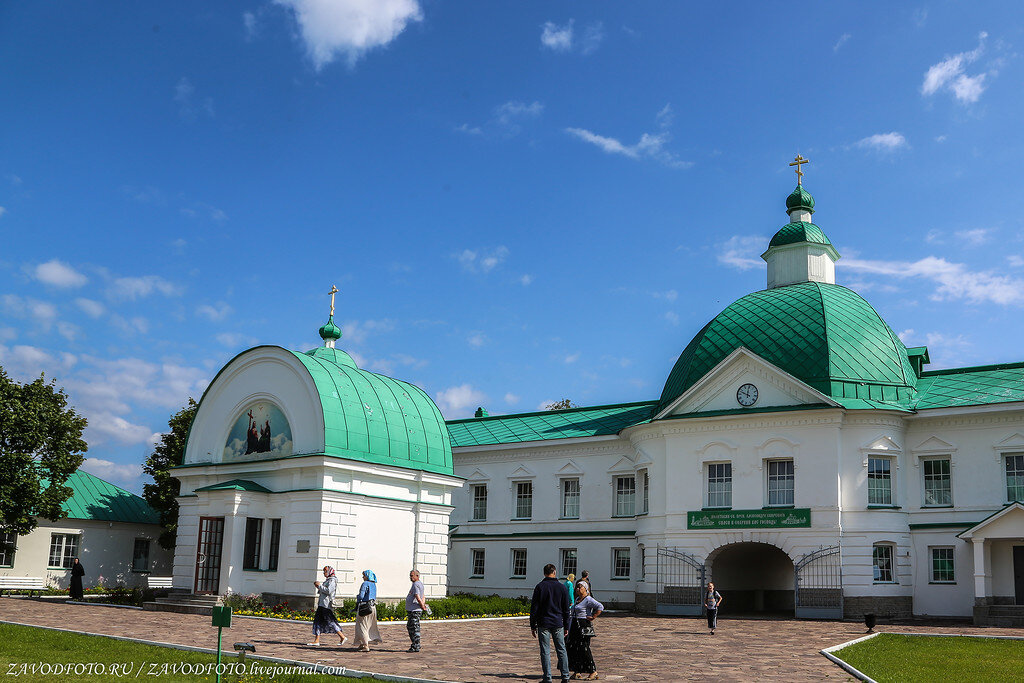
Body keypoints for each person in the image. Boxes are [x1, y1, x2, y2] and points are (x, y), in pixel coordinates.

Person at [530, 563, 570, 683]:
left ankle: (547, 677)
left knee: (545, 651)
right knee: (561, 650)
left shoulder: (540, 587)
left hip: (544, 622)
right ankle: (565, 676)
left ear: (544, 573)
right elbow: (566, 609)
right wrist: (567, 626)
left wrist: (533, 625)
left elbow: (534, 608)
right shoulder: (562, 587)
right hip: (558, 622)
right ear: (554, 572)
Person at [567, 582, 603, 680]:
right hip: (575, 625)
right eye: (577, 587)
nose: (577, 589)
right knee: (574, 648)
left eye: (580, 587)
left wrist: (593, 616)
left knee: (584, 648)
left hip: (583, 625)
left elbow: (600, 607)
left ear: (585, 588)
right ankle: (577, 671)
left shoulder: (588, 599)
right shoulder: (578, 599)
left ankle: (593, 671)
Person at [308, 566, 347, 646]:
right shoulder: (328, 580)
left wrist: (319, 586)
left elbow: (329, 591)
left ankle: (342, 636)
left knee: (330, 621)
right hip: (322, 604)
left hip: (326, 604)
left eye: (325, 571)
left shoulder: (332, 580)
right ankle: (317, 640)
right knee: (318, 621)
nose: (324, 573)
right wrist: (318, 587)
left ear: (330, 571)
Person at [354, 569, 383, 652]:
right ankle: (362, 644)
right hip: (372, 607)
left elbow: (361, 596)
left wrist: (358, 598)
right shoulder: (373, 585)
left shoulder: (365, 583)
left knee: (362, 626)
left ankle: (365, 645)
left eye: (364, 575)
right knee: (369, 626)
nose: (363, 577)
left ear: (367, 576)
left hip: (364, 607)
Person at [405, 569, 428, 652]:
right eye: (410, 576)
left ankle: (416, 645)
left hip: (414, 610)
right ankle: (415, 644)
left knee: (413, 627)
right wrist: (423, 604)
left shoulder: (416, 584)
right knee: (412, 626)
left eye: (412, 575)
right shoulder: (420, 584)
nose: (410, 577)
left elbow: (418, 596)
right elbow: (423, 596)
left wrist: (422, 605)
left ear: (417, 576)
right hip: (414, 609)